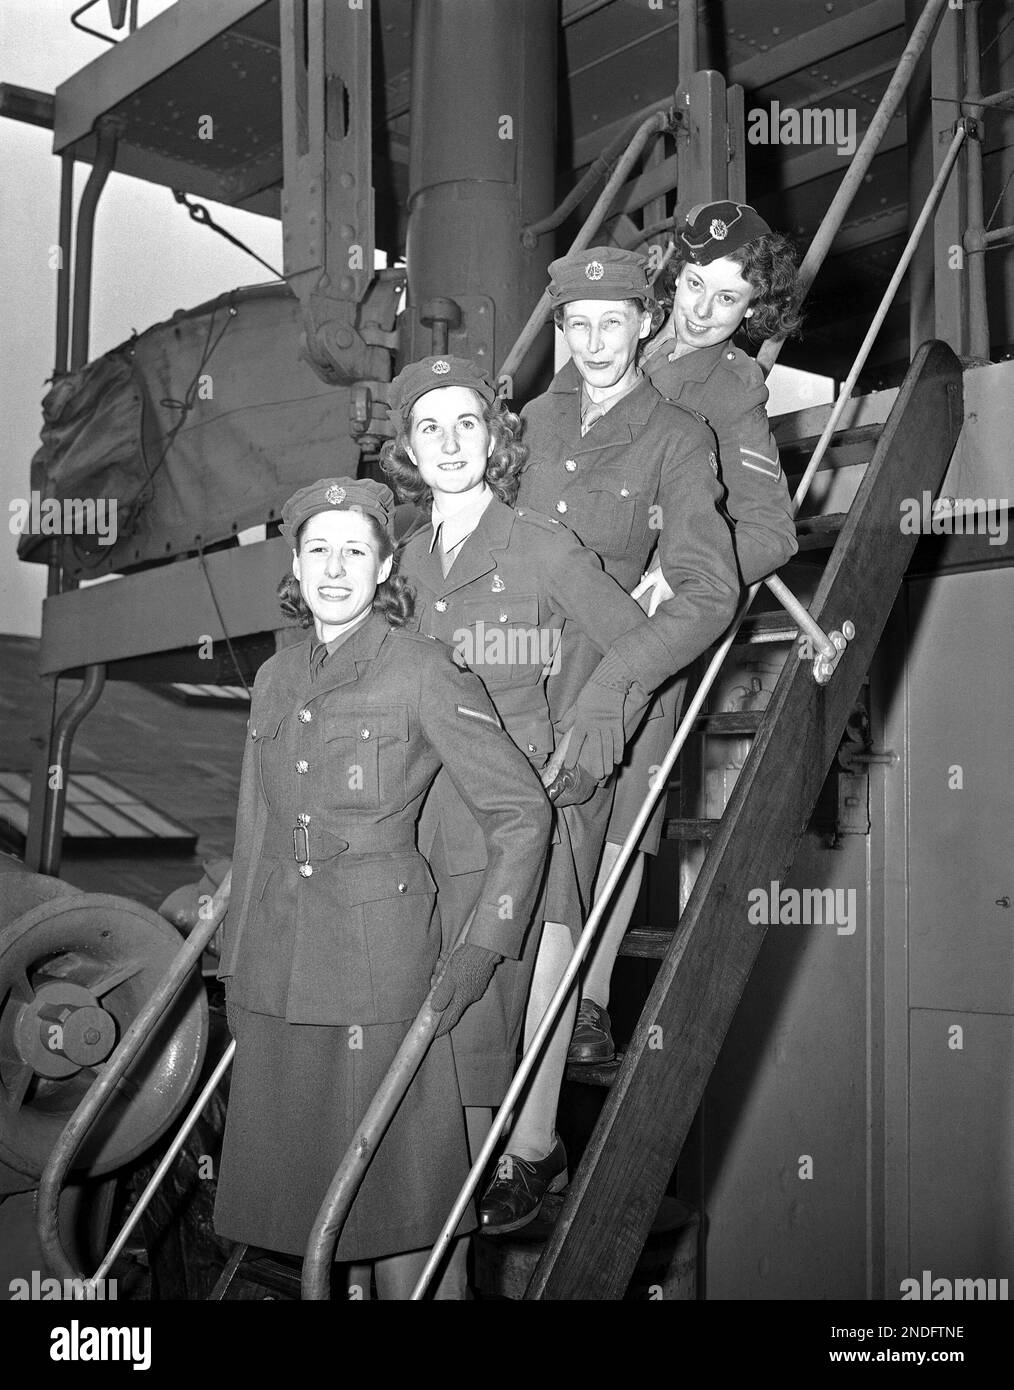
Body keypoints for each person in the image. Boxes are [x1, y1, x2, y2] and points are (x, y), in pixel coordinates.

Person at [213, 476, 551, 1298]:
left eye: (355, 551)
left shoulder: (423, 670)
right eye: (318, 549)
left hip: (381, 981)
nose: (335, 568)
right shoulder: (275, 678)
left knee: (409, 1226)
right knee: (312, 1228)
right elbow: (255, 828)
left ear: (384, 564)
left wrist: (482, 948)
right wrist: (235, 964)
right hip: (279, 978)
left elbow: (521, 811)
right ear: (295, 564)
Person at [477, 246, 740, 1231]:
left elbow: (710, 587)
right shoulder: (526, 424)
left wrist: (619, 685)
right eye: (573, 325)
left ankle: (533, 1145)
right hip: (511, 683)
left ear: (644, 321)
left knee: (555, 913)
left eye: (610, 322)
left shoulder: (679, 437)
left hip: (607, 696)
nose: (591, 343)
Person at [382, 354, 657, 1223]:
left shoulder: (541, 546)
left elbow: (637, 645)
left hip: (531, 794)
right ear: (409, 451)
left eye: (467, 423)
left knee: (541, 975)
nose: (450, 443)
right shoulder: (399, 564)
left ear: (497, 438)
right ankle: (446, 1158)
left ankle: (533, 1151)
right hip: (428, 805)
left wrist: (591, 744)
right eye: (430, 427)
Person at [571, 205, 803, 1066]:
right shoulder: (615, 343)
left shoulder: (733, 390)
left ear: (754, 313)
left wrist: (683, 566)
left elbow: (771, 533)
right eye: (697, 286)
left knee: (624, 812)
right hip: (563, 613)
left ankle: (586, 1003)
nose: (704, 311)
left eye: (731, 300)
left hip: (642, 627)